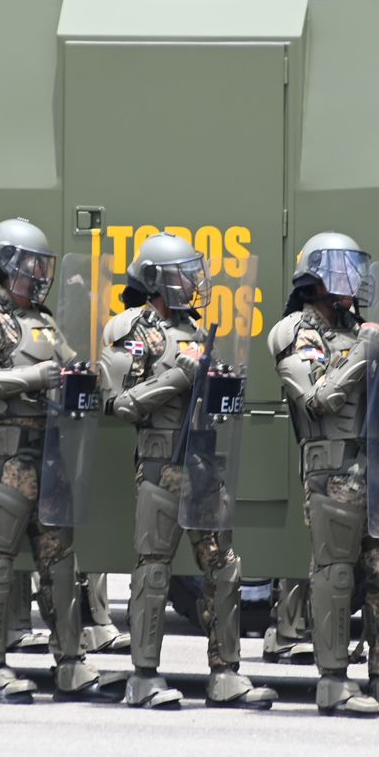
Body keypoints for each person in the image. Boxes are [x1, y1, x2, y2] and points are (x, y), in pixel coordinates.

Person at [269, 232, 379, 715]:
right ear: (314, 278)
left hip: (377, 465)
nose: (352, 280)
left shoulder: (358, 330)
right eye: (341, 269)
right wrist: (364, 353)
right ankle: (332, 682)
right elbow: (318, 399)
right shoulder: (294, 332)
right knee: (335, 573)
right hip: (332, 468)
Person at [101, 233, 276, 709]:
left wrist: (221, 387)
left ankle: (225, 672)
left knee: (224, 567)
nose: (191, 283)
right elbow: (118, 404)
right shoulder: (129, 329)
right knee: (154, 569)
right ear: (156, 280)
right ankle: (143, 675)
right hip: (160, 463)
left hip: (201, 462)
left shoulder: (196, 332)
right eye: (181, 275)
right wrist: (180, 375)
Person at [0, 218, 117, 701]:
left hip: (49, 457)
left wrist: (87, 375)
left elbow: (66, 368)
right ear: (4, 267)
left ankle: (70, 662)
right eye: (29, 265)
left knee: (60, 563)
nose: (39, 275)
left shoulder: (43, 323)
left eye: (44, 266)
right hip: (5, 459)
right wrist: (32, 378)